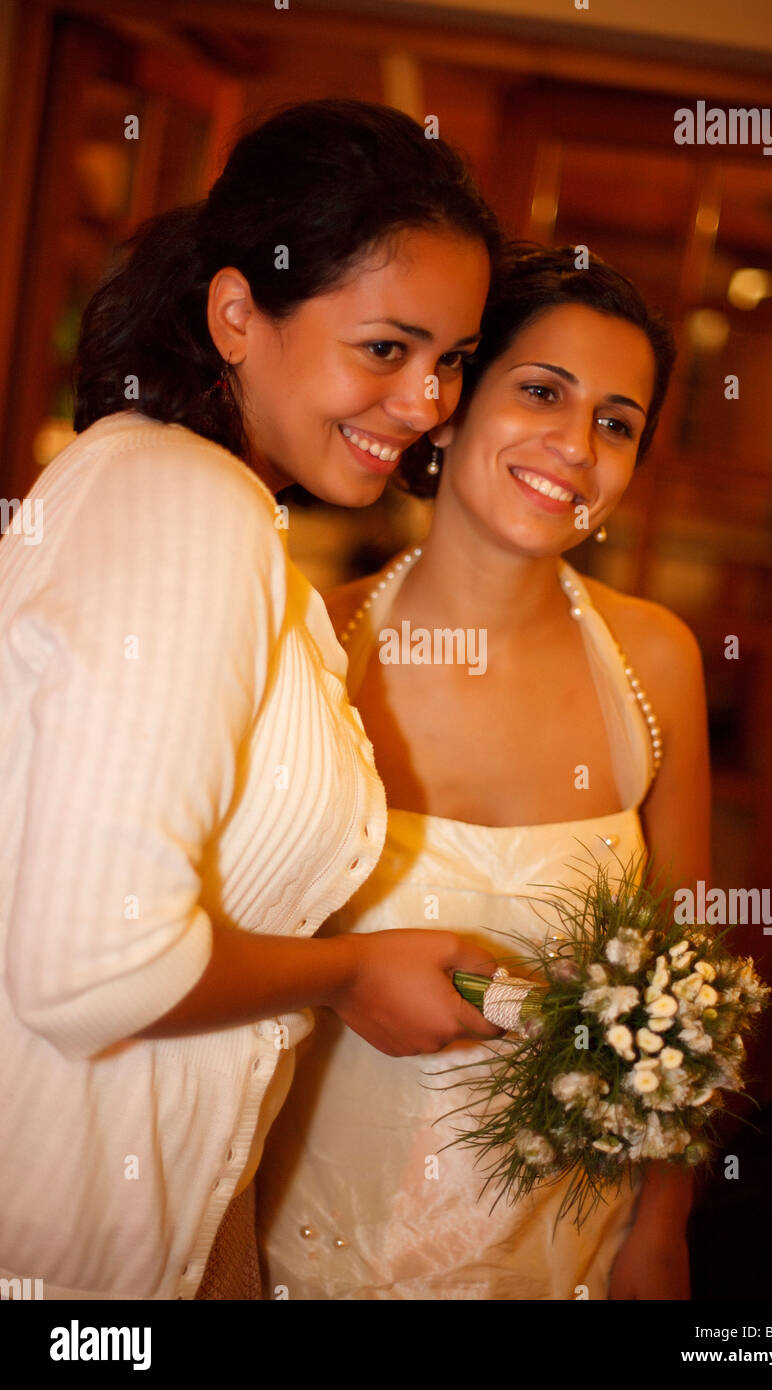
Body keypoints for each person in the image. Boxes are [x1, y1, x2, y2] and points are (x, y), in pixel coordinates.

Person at [0, 99, 503, 1300]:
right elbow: (89, 970)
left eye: (450, 362)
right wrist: (346, 972)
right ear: (237, 313)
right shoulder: (188, 505)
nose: (428, 401)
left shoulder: (167, 491)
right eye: (385, 348)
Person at [256, 246, 711, 1299]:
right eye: (541, 391)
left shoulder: (654, 662)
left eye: (615, 421)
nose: (573, 444)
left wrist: (661, 1228)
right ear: (451, 407)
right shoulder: (307, 642)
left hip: (557, 1247)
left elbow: (680, 992)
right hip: (309, 1228)